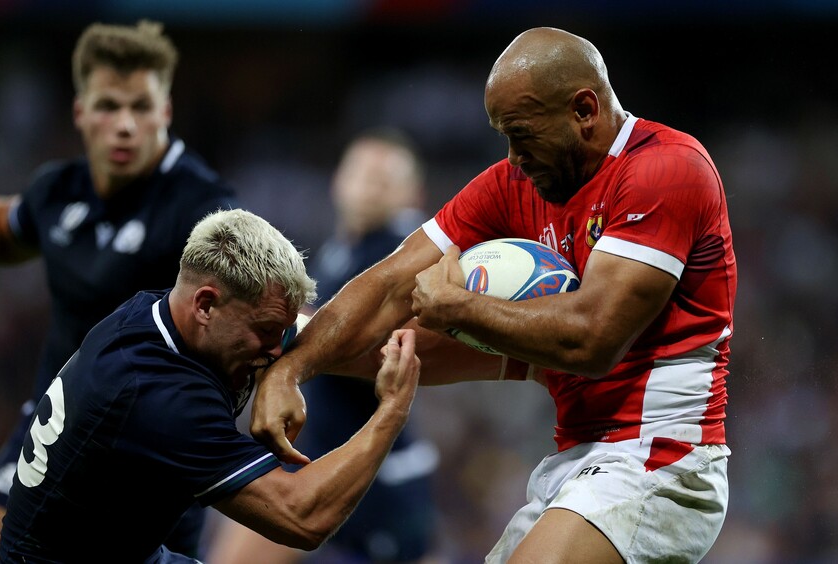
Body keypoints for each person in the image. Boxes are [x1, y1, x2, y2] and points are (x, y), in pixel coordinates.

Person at [250, 27, 737, 563]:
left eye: (523, 134)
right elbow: (390, 282)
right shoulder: (514, 182)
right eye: (503, 135)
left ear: (583, 110)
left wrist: (459, 307)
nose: (513, 156)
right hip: (579, 460)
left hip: (661, 459)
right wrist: (287, 369)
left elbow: (593, 341)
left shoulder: (665, 170)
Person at [0, 208, 421, 563]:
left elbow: (325, 335)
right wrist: (391, 411)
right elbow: (302, 517)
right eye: (267, 332)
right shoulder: (159, 397)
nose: (276, 349)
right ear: (205, 305)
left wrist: (289, 371)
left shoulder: (160, 314)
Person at [0, 20, 239, 554]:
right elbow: (10, 230)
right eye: (109, 106)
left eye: (142, 106)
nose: (125, 125)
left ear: (166, 112)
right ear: (81, 113)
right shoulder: (57, 193)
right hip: (49, 429)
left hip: (149, 457)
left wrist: (289, 371)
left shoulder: (203, 209)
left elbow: (270, 307)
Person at [205, 128, 439, 564]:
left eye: (387, 179)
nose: (372, 185)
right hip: (332, 456)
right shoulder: (341, 252)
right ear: (338, 181)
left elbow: (364, 335)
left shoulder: (401, 249)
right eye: (364, 173)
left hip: (375, 472)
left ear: (415, 195)